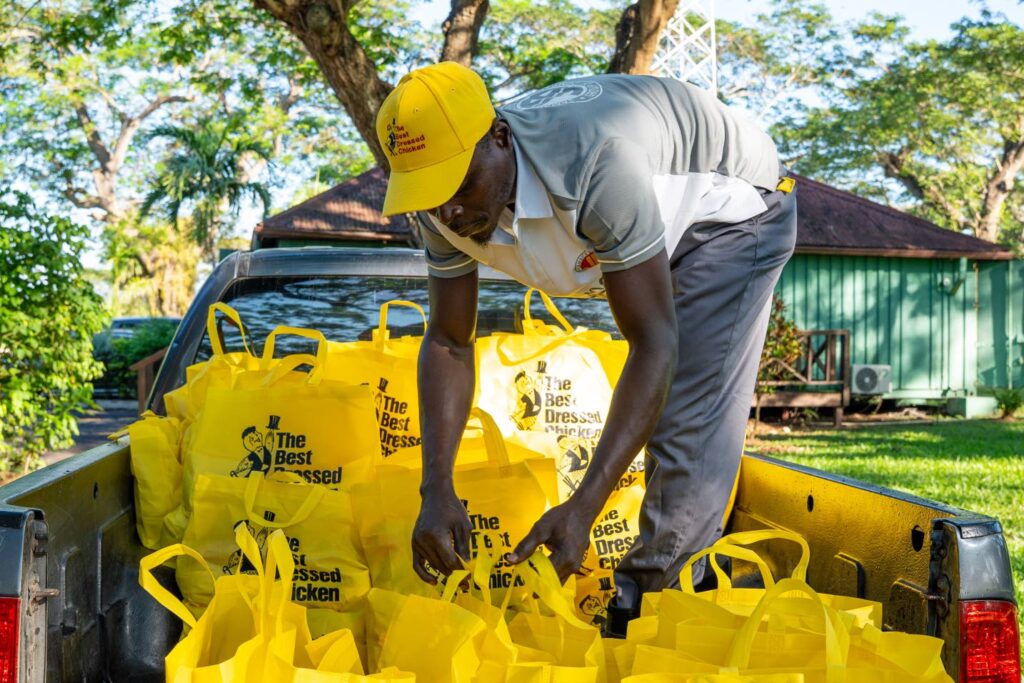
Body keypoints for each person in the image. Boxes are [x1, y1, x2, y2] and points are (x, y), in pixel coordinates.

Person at [376, 61, 797, 636]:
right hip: (644, 220)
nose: (446, 212)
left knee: (683, 427)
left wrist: (584, 508)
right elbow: (449, 341)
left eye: (456, 186)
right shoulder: (441, 207)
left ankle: (654, 622)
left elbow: (653, 343)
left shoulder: (595, 162)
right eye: (427, 195)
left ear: (500, 137)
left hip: (730, 214)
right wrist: (436, 488)